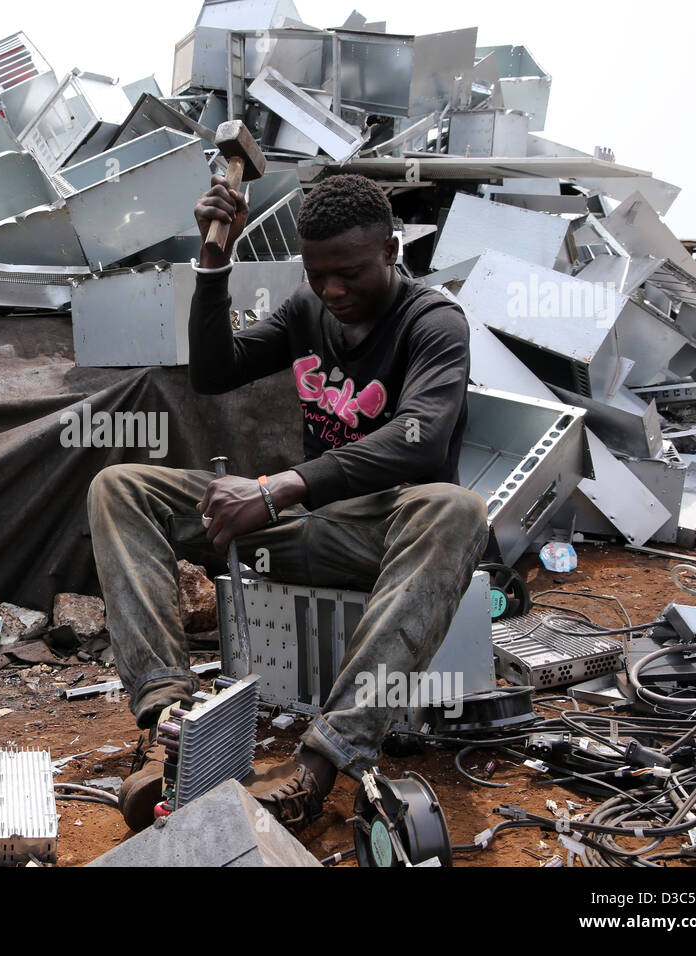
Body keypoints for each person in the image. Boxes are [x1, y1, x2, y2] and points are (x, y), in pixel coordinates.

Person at [87, 172, 490, 831]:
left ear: (391, 251)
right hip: (303, 523)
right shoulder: (310, 309)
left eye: (351, 274)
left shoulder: (434, 321)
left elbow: (422, 439)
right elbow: (216, 372)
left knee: (457, 509)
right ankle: (170, 731)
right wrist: (214, 265)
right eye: (319, 273)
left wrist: (277, 489)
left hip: (383, 535)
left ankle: (322, 763)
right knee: (121, 488)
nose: (334, 291)